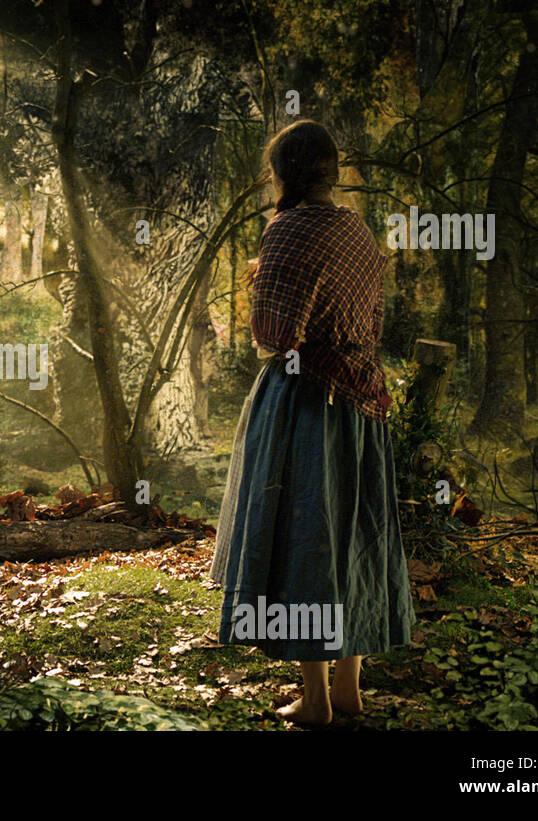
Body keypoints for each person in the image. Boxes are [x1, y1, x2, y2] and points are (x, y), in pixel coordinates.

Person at [209, 120, 415, 726]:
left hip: (306, 403)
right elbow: (368, 319)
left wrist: (258, 282)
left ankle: (318, 702)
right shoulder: (354, 228)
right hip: (360, 406)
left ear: (284, 173)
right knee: (352, 537)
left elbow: (275, 337)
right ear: (330, 170)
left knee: (307, 539)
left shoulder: (289, 230)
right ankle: (349, 692)